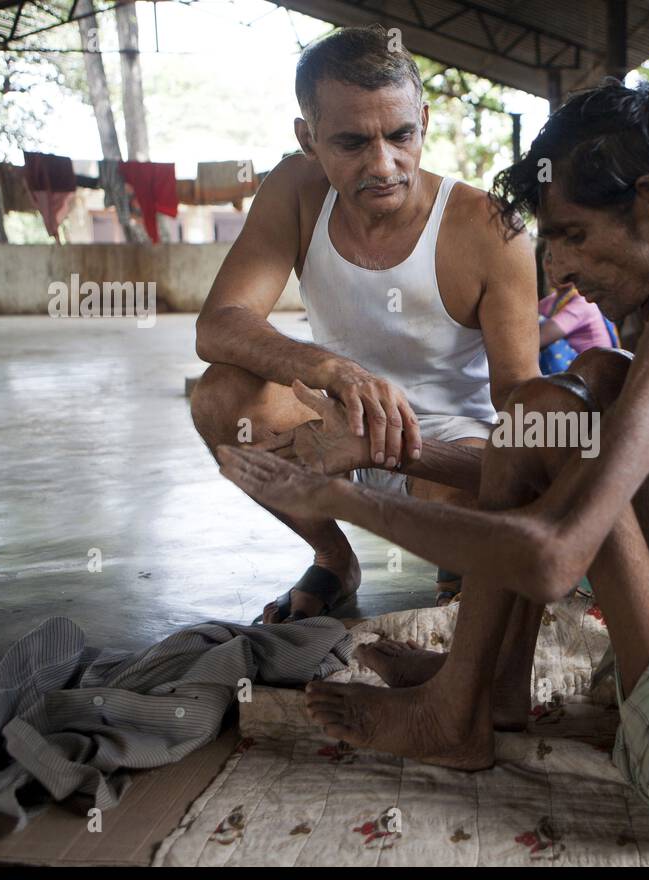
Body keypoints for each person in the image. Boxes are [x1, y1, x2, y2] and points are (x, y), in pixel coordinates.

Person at [218, 80, 649, 832]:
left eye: (571, 234)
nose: (559, 270)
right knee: (574, 395)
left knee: (570, 432)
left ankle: (455, 708)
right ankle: (486, 692)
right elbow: (552, 466)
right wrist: (382, 455)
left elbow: (557, 556)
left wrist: (344, 501)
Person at [189, 26, 539, 620]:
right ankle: (333, 560)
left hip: (447, 448)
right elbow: (219, 325)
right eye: (351, 143)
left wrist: (412, 456)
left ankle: (461, 565)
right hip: (330, 425)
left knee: (491, 488)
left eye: (401, 135)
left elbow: (521, 411)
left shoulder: (489, 227)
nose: (384, 165)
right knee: (221, 396)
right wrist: (333, 370)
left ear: (424, 120)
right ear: (308, 138)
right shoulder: (297, 190)